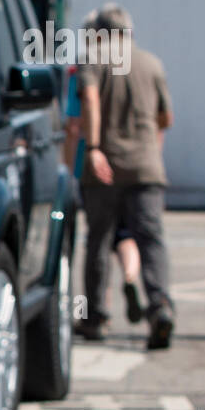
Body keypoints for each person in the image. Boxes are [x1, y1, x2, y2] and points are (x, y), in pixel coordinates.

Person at [73, 4, 176, 349]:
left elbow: (89, 98)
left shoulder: (93, 57)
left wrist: (94, 147)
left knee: (99, 241)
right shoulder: (151, 62)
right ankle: (160, 305)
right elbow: (166, 118)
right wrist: (150, 146)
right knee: (151, 239)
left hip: (105, 166)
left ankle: (96, 316)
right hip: (146, 165)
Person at [62, 58, 146, 325]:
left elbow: (74, 126)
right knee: (124, 234)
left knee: (97, 239)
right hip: (130, 166)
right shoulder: (134, 70)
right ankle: (131, 278)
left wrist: (68, 168)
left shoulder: (84, 76)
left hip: (93, 169)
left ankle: (98, 312)